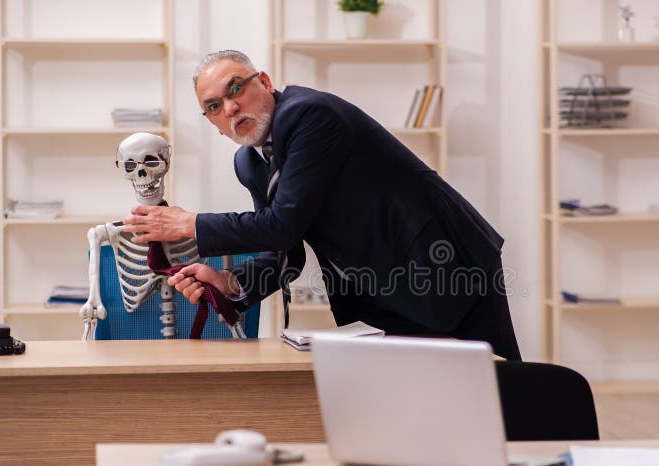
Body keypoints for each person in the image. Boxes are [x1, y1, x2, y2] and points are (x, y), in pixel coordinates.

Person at [122, 50, 522, 360]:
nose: (229, 108)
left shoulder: (310, 115)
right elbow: (285, 252)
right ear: (211, 122)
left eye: (236, 89)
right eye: (213, 106)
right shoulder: (249, 162)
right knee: (408, 413)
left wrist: (191, 224)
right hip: (371, 290)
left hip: (445, 268)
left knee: (501, 399)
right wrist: (231, 283)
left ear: (264, 81)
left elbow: (283, 223)